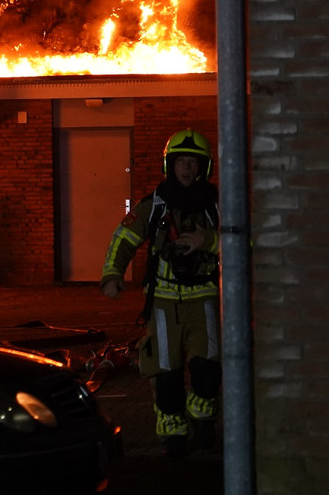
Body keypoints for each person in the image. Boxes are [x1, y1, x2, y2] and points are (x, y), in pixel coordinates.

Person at [100, 128, 221, 458]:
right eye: (180, 162)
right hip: (164, 302)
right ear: (169, 165)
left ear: (203, 168)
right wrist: (112, 275)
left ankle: (203, 418)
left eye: (193, 163)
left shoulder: (219, 207)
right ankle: (174, 433)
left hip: (205, 299)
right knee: (165, 375)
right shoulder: (152, 206)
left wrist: (207, 241)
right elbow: (122, 239)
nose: (186, 169)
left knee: (208, 370)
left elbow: (246, 240)